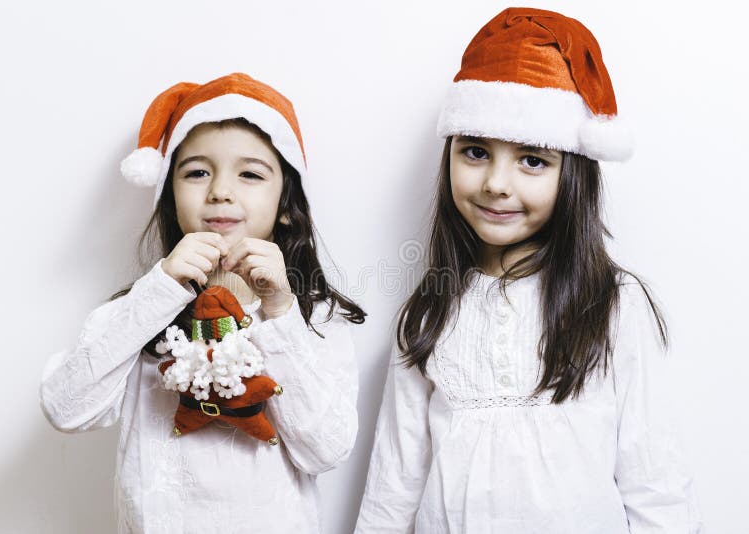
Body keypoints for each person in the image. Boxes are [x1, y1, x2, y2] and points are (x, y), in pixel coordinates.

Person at [355, 7, 702, 533]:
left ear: (573, 174)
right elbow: (392, 487)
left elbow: (654, 479)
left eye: (532, 160)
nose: (497, 182)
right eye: (475, 151)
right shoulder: (427, 316)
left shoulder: (613, 304)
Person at [40, 72, 366, 533]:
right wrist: (160, 290)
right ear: (170, 197)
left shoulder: (316, 319)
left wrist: (279, 313)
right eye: (197, 172)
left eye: (250, 173)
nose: (220, 191)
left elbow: (327, 451)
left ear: (288, 204)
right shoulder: (141, 313)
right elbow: (66, 409)